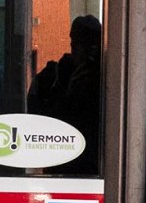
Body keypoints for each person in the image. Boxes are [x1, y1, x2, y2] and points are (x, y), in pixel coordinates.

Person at [28, 13, 101, 170]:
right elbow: (36, 124)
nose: (90, 56)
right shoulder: (53, 77)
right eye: (85, 47)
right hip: (63, 167)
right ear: (73, 46)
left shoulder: (106, 79)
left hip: (94, 167)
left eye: (94, 49)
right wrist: (68, 93)